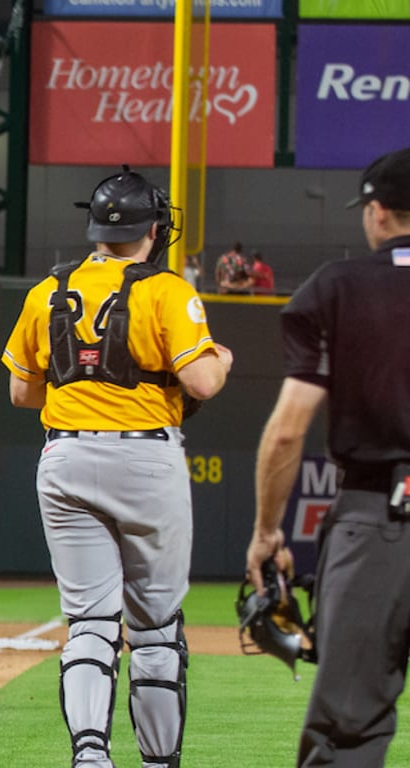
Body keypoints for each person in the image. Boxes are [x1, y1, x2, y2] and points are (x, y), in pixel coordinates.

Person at [2, 166, 232, 768]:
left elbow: (22, 395)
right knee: (155, 628)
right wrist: (223, 360)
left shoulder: (45, 291)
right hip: (144, 456)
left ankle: (91, 755)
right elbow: (202, 378)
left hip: (66, 456)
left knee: (89, 625)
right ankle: (157, 763)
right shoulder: (168, 290)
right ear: (153, 228)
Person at [246, 146, 410, 767]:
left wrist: (267, 532)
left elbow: (288, 431)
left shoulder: (338, 287)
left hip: (380, 524)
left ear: (377, 212)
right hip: (379, 519)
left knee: (348, 726)